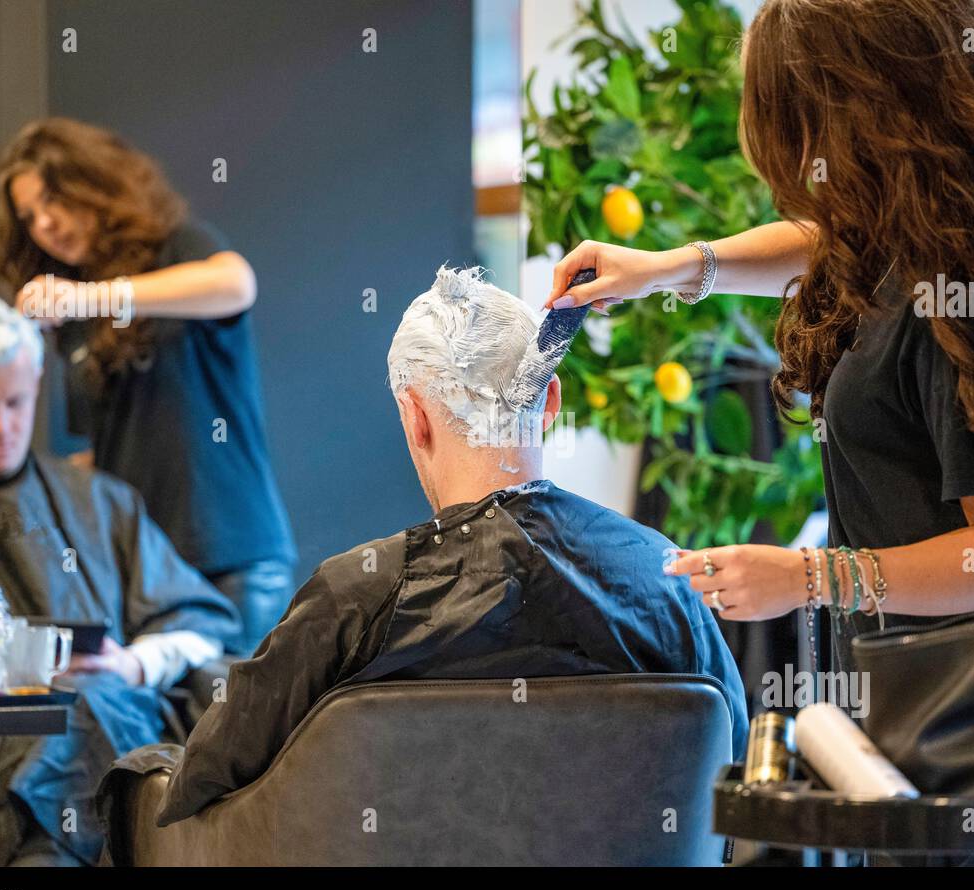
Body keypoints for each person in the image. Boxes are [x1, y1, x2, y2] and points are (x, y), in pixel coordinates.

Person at [543, 0, 974, 866]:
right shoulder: (914, 239)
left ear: (856, 114)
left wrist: (806, 577)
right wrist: (671, 269)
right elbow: (822, 242)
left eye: (792, 123)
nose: (785, 158)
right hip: (915, 731)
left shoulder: (964, 303)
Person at [107, 265, 747, 827]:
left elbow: (207, 775)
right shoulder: (668, 576)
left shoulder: (356, 596)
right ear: (550, 402)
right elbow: (733, 766)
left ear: (413, 416)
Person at [0, 296, 241, 865]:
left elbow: (199, 622)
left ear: (38, 382)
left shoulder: (102, 504)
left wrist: (135, 663)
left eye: (16, 402)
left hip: (89, 723)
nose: (1, 425)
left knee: (88, 713)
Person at [0, 117, 295, 657]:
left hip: (227, 554)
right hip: (143, 573)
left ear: (90, 184)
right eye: (29, 217)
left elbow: (234, 283)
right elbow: (98, 451)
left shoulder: (175, 246)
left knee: (236, 736)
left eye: (52, 201)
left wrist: (95, 297)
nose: (45, 225)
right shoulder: (77, 319)